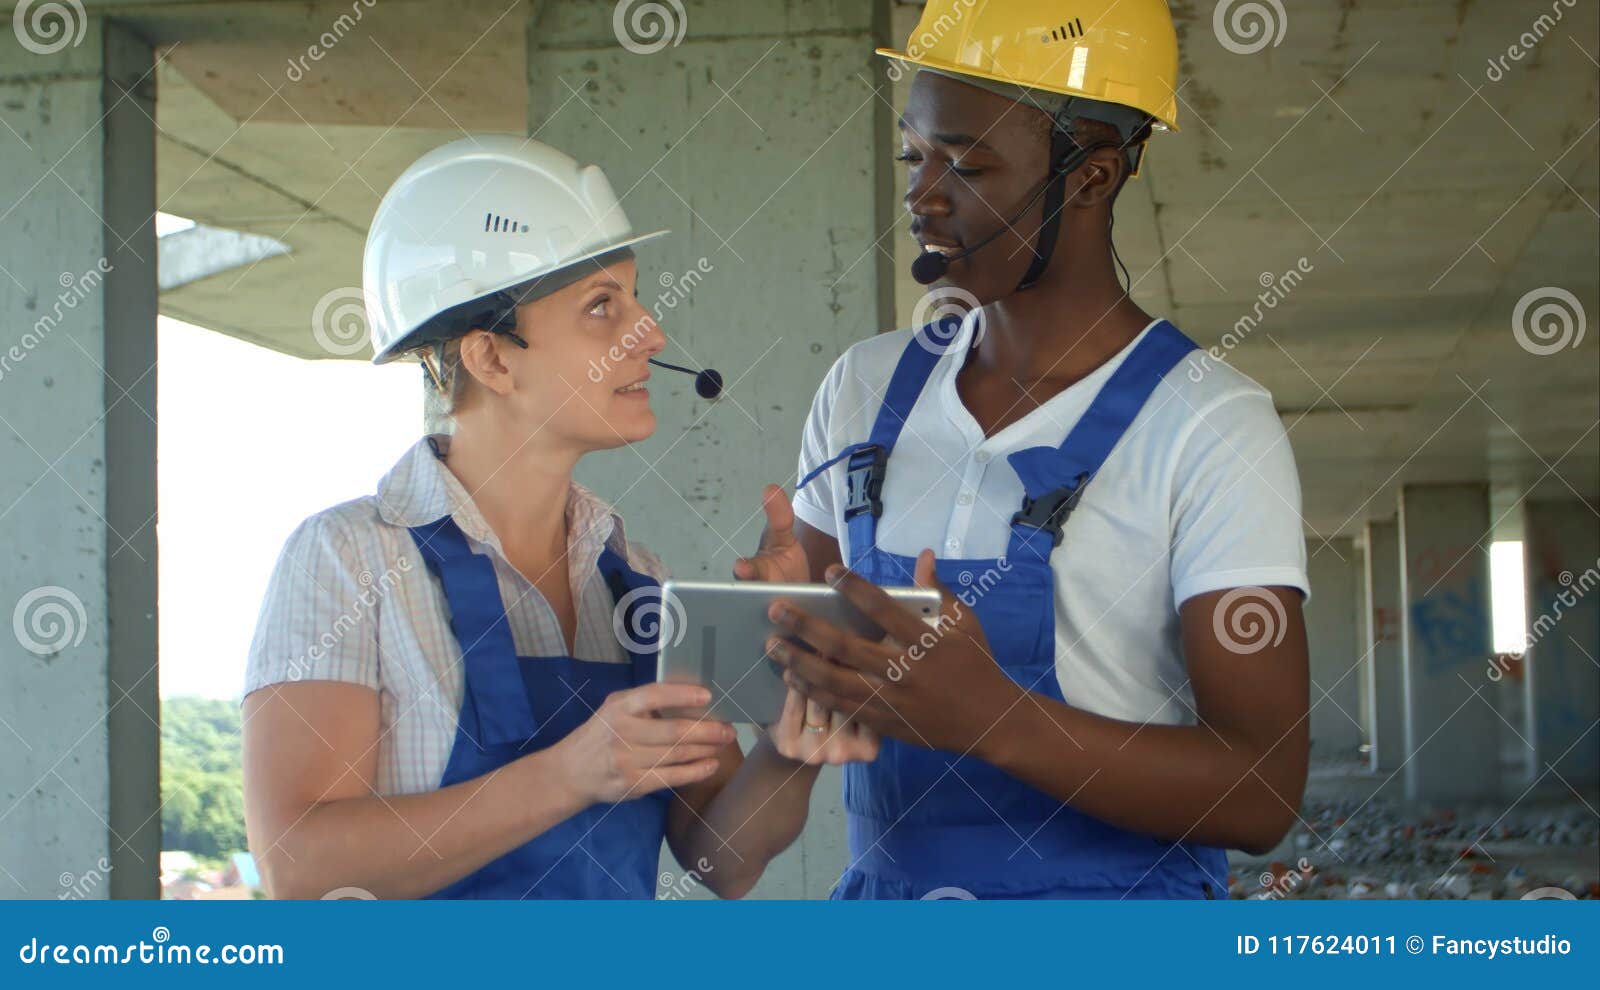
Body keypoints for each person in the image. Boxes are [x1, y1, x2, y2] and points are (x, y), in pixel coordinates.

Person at [741, 0, 1312, 899]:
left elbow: (1262, 791)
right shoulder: (863, 389)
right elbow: (810, 684)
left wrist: (996, 719)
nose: (924, 195)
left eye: (966, 164)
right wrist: (766, 637)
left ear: (1092, 175)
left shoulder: (1208, 423)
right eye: (914, 156)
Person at [242, 136, 874, 900]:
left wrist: (789, 737)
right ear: (493, 360)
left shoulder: (636, 581)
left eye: (634, 298)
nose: (650, 335)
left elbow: (723, 862)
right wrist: (572, 773)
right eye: (602, 307)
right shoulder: (346, 560)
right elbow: (297, 867)